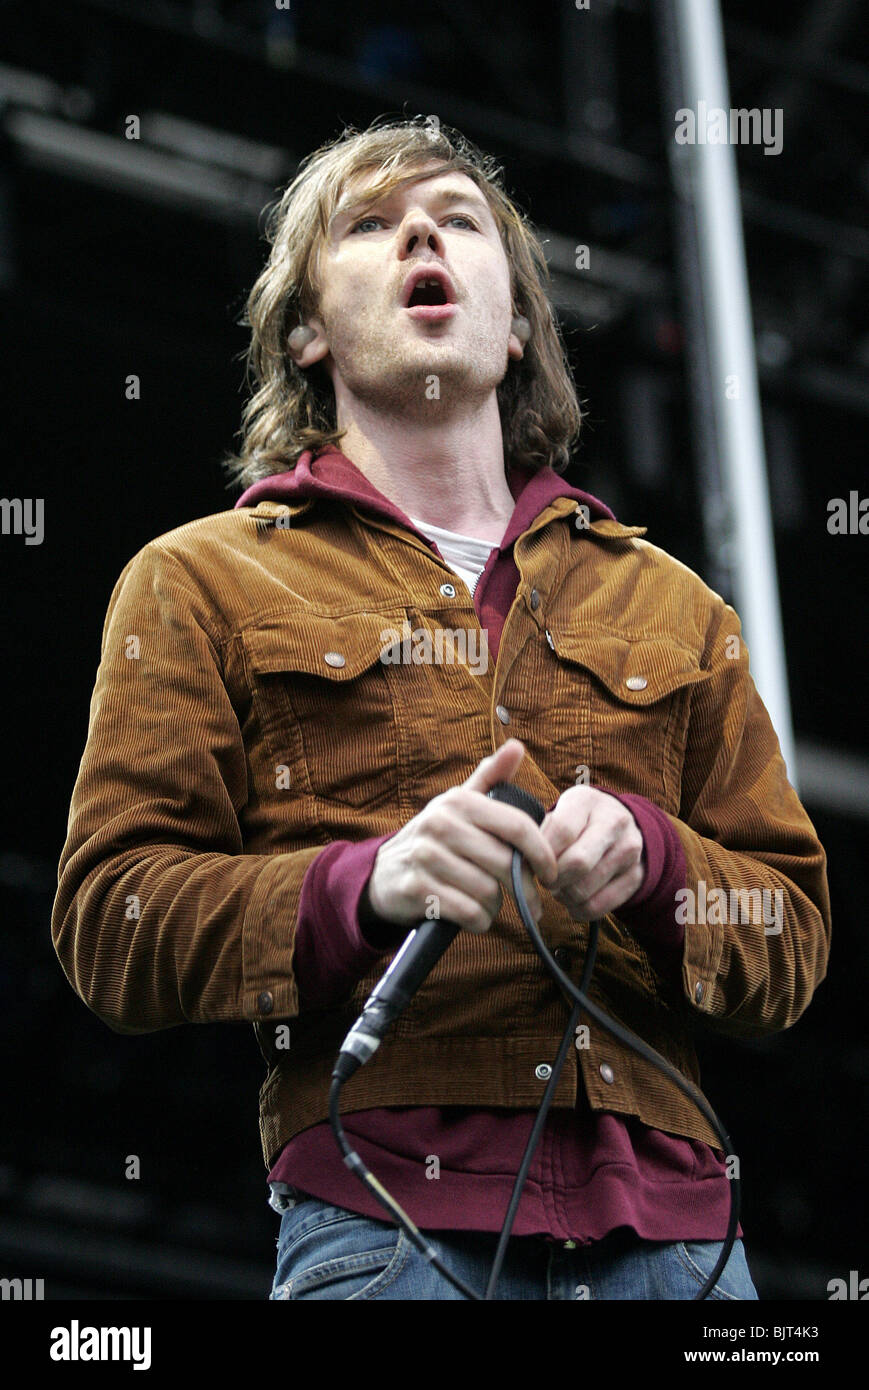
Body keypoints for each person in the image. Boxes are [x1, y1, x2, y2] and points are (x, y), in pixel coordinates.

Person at [51, 117, 831, 1301]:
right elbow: (114, 918)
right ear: (305, 331)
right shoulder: (197, 579)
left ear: (515, 322)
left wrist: (656, 858)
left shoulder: (677, 607)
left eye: (459, 220)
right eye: (368, 224)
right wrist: (362, 884)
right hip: (385, 1230)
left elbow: (792, 939)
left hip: (677, 1244)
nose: (420, 229)